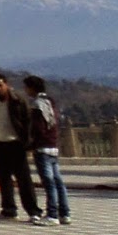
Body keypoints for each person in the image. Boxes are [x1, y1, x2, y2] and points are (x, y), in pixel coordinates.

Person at [0, 73, 43, 223]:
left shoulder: (18, 100)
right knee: (4, 179)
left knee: (24, 179)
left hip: (15, 143)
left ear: (6, 85)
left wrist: (27, 141)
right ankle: (9, 210)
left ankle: (33, 211)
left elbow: (27, 121)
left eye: (0, 85)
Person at [24, 76, 70, 226]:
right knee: (58, 181)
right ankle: (65, 213)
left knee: (49, 182)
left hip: (42, 147)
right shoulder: (51, 102)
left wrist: (31, 145)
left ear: (31, 88)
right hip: (53, 146)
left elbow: (38, 128)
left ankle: (52, 215)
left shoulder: (37, 105)